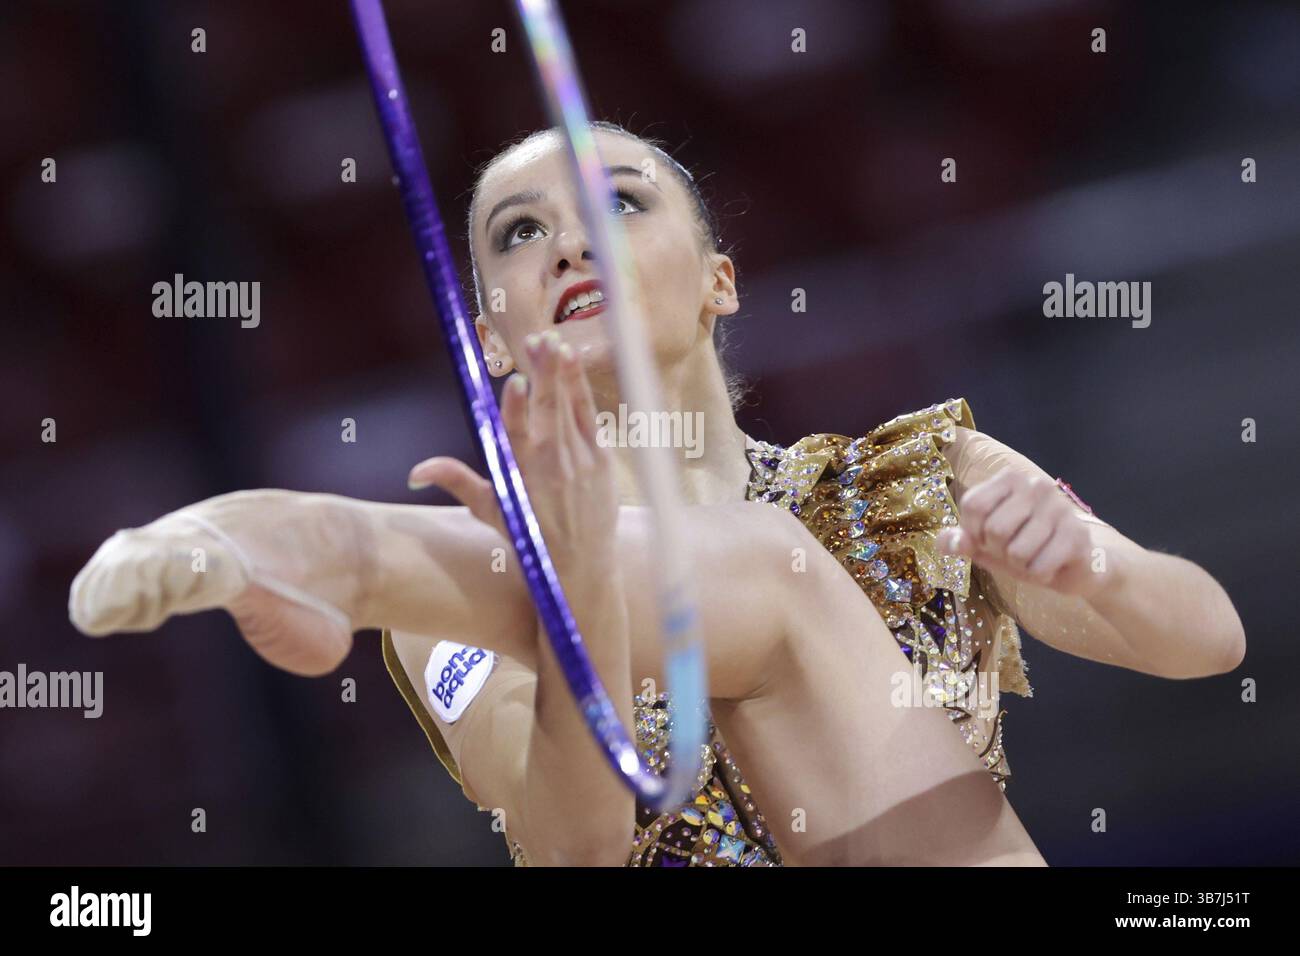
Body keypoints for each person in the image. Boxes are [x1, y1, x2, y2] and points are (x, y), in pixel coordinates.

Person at [69, 122, 1246, 867]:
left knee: (777, 566)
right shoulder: (461, 605)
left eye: (618, 204)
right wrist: (576, 574)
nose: (570, 245)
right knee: (763, 573)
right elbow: (568, 846)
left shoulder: (910, 482)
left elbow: (1207, 637)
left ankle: (323, 540)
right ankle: (317, 540)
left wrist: (1092, 563)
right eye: (521, 232)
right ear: (493, 340)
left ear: (721, 282)